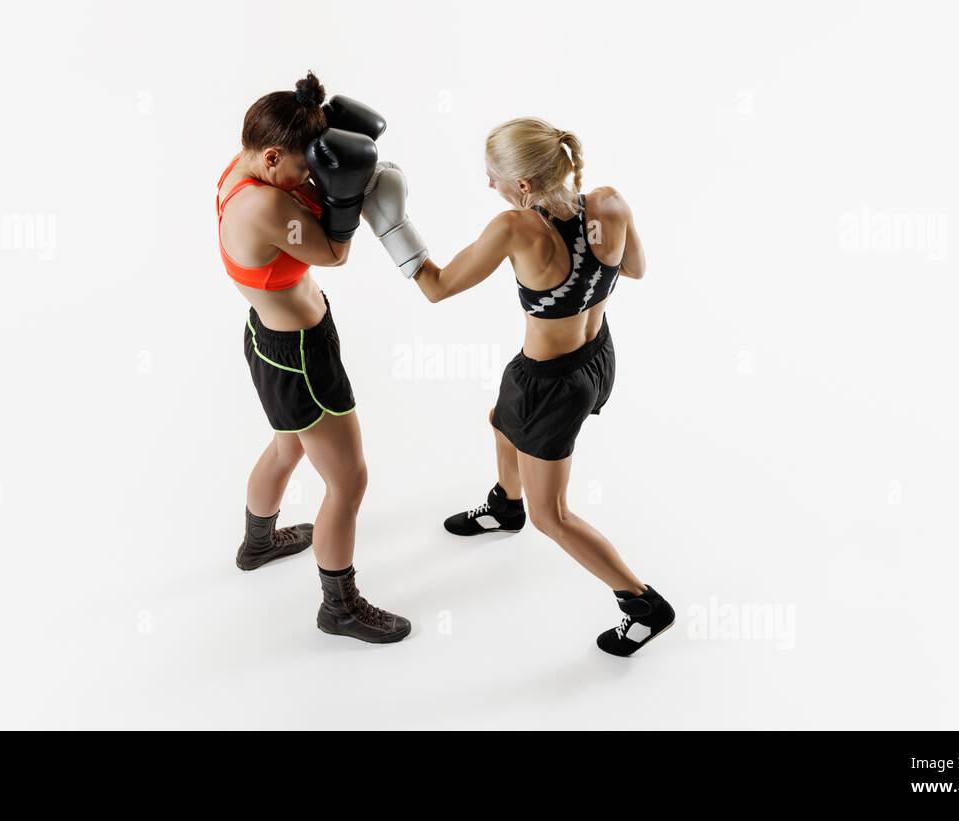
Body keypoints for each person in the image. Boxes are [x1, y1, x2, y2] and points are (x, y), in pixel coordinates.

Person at [359, 118, 671, 656]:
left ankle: (642, 603)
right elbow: (637, 268)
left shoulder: (515, 228)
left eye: (493, 178)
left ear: (523, 186)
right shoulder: (611, 202)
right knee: (502, 420)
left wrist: (389, 223)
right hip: (596, 360)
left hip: (551, 384)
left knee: (554, 516)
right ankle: (506, 505)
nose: (490, 187)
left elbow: (435, 287)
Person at [217, 72, 409, 643]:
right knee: (348, 481)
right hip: (301, 356)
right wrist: (346, 194)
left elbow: (298, 198)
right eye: (306, 166)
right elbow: (334, 253)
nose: (312, 175)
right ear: (273, 157)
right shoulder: (265, 209)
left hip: (267, 339)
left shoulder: (240, 166)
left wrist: (321, 161)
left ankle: (257, 543)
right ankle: (339, 606)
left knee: (287, 445)